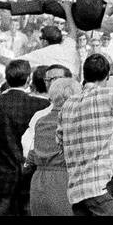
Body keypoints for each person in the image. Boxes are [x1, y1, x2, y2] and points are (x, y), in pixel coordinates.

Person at [58, 53, 113, 216]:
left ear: (85, 75)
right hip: (102, 187)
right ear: (107, 75)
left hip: (77, 192)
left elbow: (60, 143)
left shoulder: (67, 105)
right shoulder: (110, 96)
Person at [0, 58, 50, 217]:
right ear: (28, 80)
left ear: (6, 77)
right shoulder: (40, 106)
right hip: (29, 174)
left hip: (0, 174)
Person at [26, 77, 79, 216]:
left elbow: (31, 154)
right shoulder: (73, 122)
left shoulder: (40, 121)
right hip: (64, 181)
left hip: (39, 182)